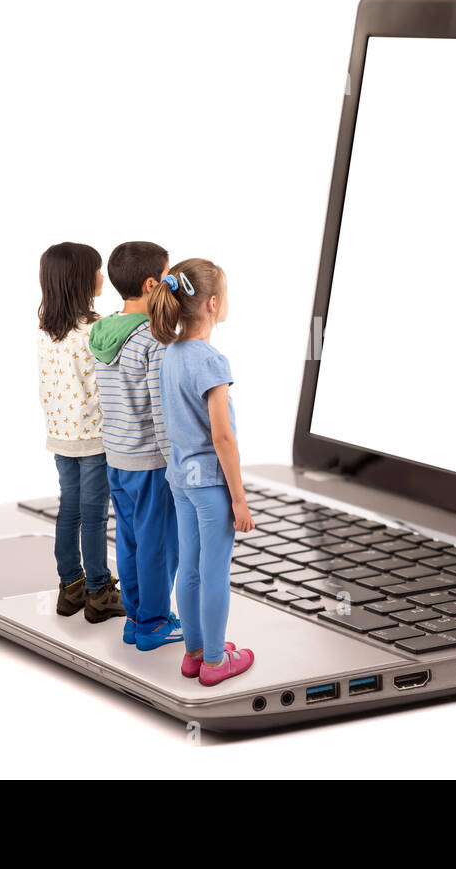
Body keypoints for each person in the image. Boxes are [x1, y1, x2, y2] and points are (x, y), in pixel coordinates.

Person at [147, 259, 254, 685]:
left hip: (179, 478)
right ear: (212, 303)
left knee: (188, 567)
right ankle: (214, 661)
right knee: (215, 571)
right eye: (225, 295)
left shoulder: (170, 355)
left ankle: (193, 651)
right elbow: (222, 438)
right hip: (210, 484)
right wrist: (239, 498)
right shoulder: (211, 361)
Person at [87, 241, 183, 651]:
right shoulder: (153, 341)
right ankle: (154, 624)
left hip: (116, 458)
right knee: (158, 544)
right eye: (166, 277)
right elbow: (161, 410)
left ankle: (135, 616)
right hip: (150, 461)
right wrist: (173, 460)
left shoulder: (102, 331)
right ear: (150, 283)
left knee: (128, 540)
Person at [36, 242, 125, 622]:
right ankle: (99, 591)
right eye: (96, 270)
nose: (101, 276)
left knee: (68, 510)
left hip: (61, 434)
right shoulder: (95, 329)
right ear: (80, 281)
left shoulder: (46, 330)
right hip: (93, 437)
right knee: (93, 516)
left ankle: (70, 586)